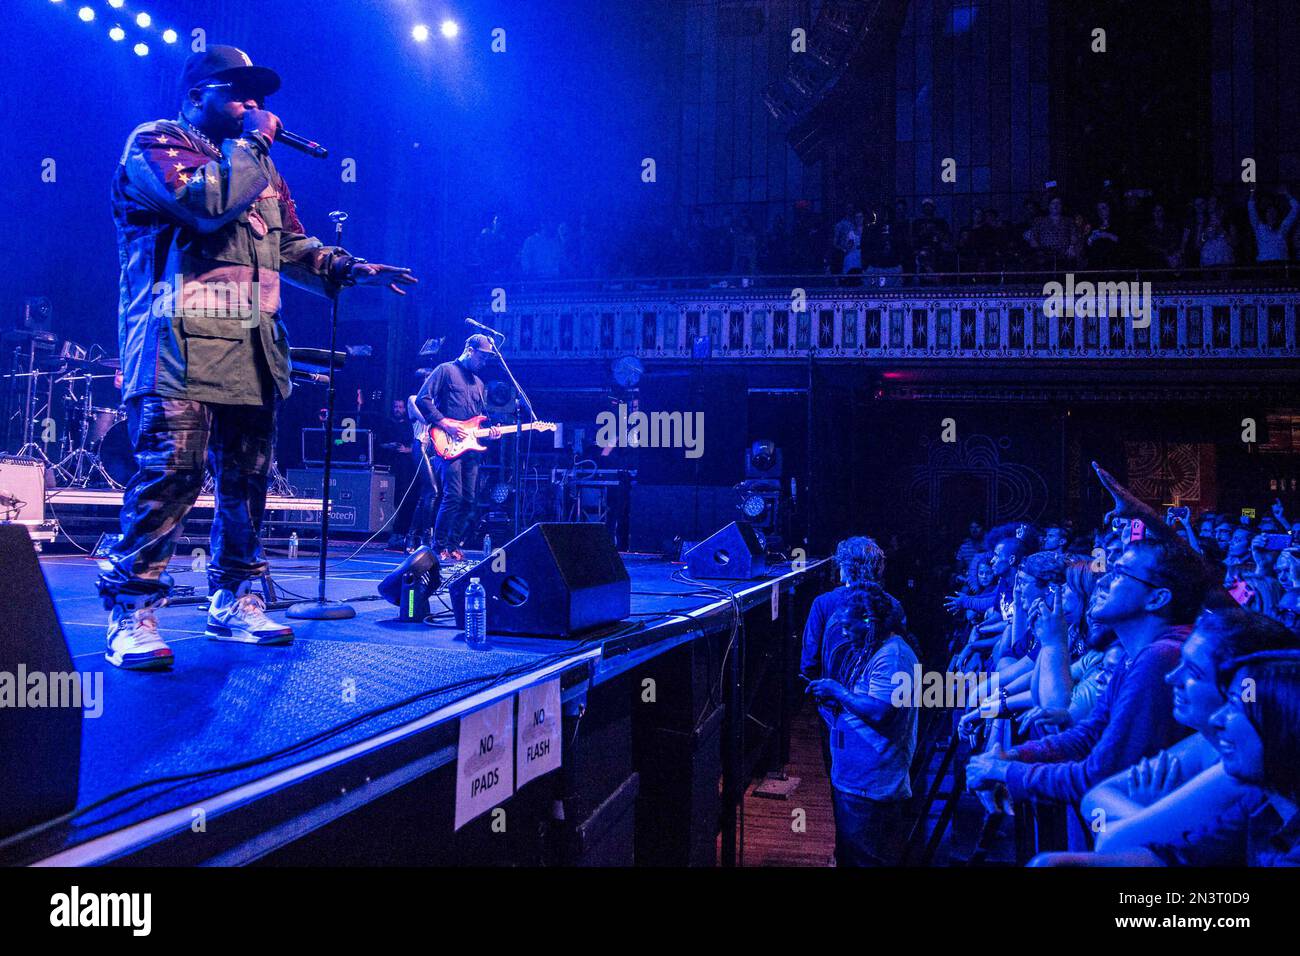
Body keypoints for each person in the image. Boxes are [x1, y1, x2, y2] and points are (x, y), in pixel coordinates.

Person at [100, 45, 416, 670]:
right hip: (178, 348)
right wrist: (255, 147)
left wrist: (347, 267)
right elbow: (205, 205)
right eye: (237, 91)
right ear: (196, 96)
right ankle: (130, 608)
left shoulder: (258, 167)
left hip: (251, 349)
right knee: (173, 475)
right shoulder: (157, 144)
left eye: (259, 96)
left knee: (247, 484)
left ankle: (234, 597)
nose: (254, 105)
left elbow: (290, 243)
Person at [807, 581, 919, 866]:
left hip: (872, 784)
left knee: (864, 858)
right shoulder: (877, 649)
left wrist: (838, 691)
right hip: (859, 779)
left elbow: (881, 711)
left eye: (848, 627)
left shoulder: (893, 656)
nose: (844, 635)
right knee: (852, 854)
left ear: (869, 622)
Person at [415, 334, 500, 562]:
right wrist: (444, 422)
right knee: (452, 495)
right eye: (482, 356)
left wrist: (491, 432)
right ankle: (438, 545)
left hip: (470, 448)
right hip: (447, 443)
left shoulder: (479, 384)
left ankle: (453, 545)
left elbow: (478, 420)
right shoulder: (445, 370)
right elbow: (423, 399)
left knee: (469, 499)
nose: (484, 362)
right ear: (470, 350)